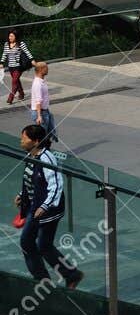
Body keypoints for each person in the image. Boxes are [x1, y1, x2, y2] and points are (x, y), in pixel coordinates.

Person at [14, 124, 81, 290]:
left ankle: (57, 277)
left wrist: (44, 206)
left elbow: (56, 185)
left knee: (37, 243)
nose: (21, 141)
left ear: (36, 141)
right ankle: (59, 277)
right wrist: (22, 195)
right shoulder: (31, 155)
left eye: (24, 138)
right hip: (35, 206)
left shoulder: (47, 158)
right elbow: (32, 180)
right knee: (34, 243)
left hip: (48, 209)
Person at [3, 31, 33, 106]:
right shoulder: (6, 44)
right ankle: (21, 94)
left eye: (12, 36)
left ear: (16, 37)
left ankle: (10, 98)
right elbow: (4, 54)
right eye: (9, 36)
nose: (10, 38)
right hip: (10, 67)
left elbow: (27, 52)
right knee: (16, 81)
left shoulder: (20, 44)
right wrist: (1, 62)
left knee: (14, 81)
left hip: (18, 66)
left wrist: (32, 60)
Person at [30, 60, 56, 145]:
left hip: (45, 111)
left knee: (48, 134)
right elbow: (38, 101)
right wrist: (39, 116)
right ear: (41, 69)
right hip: (41, 113)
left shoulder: (41, 81)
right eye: (46, 68)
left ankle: (46, 148)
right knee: (42, 136)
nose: (48, 69)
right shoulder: (38, 84)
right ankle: (40, 150)